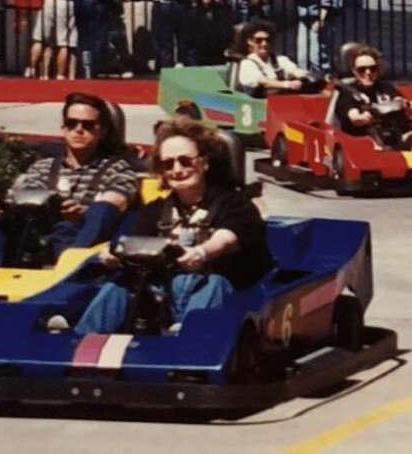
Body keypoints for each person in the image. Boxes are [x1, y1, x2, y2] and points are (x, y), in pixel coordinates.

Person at [68, 118, 273, 336]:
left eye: (185, 161)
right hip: (165, 295)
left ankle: (191, 341)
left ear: (204, 162)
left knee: (213, 283)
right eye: (168, 164)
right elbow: (127, 241)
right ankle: (80, 342)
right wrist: (112, 254)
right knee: (120, 285)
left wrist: (202, 252)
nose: (177, 170)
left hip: (225, 293)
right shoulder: (154, 211)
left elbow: (227, 237)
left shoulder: (235, 204)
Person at [0, 93, 139, 267]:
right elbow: (28, 192)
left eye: (88, 125)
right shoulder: (43, 167)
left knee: (102, 209)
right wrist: (2, 207)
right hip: (39, 234)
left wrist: (84, 211)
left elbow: (116, 201)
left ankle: (72, 267)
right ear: (63, 128)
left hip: (81, 237)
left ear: (102, 131)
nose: (79, 129)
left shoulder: (118, 168)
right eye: (71, 123)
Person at [329, 44, 412, 146]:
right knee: (373, 145)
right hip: (361, 141)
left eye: (372, 68)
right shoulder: (348, 92)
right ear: (354, 71)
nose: (368, 72)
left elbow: (399, 100)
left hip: (392, 136)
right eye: (362, 69)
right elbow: (351, 113)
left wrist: (408, 105)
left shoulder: (386, 88)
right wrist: (360, 118)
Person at [231, 20, 319, 96]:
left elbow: (295, 70)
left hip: (279, 104)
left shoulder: (280, 60)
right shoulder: (247, 63)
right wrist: (286, 84)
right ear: (250, 42)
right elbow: (263, 81)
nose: (264, 44)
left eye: (267, 40)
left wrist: (303, 75)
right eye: (259, 40)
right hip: (258, 106)